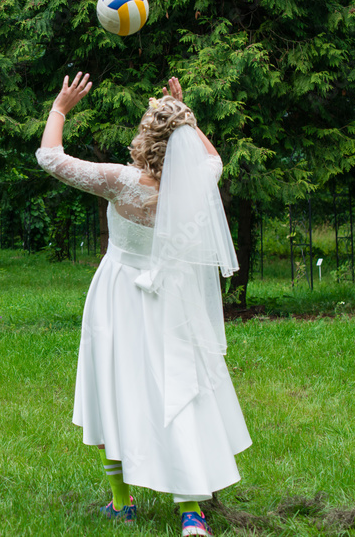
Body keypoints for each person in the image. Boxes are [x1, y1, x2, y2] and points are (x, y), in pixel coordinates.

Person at [37, 73, 250, 536]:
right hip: (173, 302)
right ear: (185, 144)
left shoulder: (119, 180)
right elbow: (213, 159)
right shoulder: (195, 184)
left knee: (111, 388)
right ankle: (191, 514)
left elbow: (50, 157)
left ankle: (121, 503)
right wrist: (186, 116)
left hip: (118, 296)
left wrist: (60, 108)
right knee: (178, 392)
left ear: (143, 137)